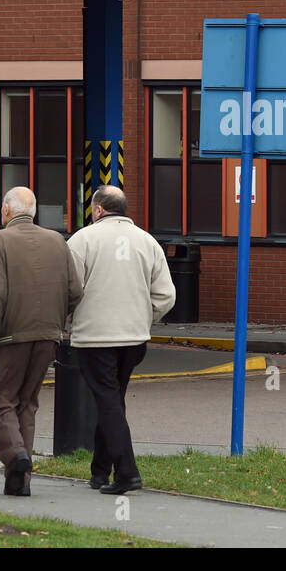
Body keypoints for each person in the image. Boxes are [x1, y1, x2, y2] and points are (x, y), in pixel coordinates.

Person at [66, 184, 175, 494]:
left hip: (95, 337)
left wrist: (70, 319)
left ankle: (127, 473)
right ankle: (99, 471)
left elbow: (70, 290)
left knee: (108, 401)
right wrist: (146, 316)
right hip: (134, 339)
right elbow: (166, 295)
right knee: (112, 400)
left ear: (98, 210)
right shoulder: (148, 241)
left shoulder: (82, 240)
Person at [0, 186, 82, 496]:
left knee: (2, 401)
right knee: (27, 405)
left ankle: (15, 456)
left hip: (11, 336)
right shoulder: (57, 242)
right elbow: (75, 292)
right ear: (32, 212)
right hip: (49, 335)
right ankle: (19, 481)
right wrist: (56, 320)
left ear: (7, 211)